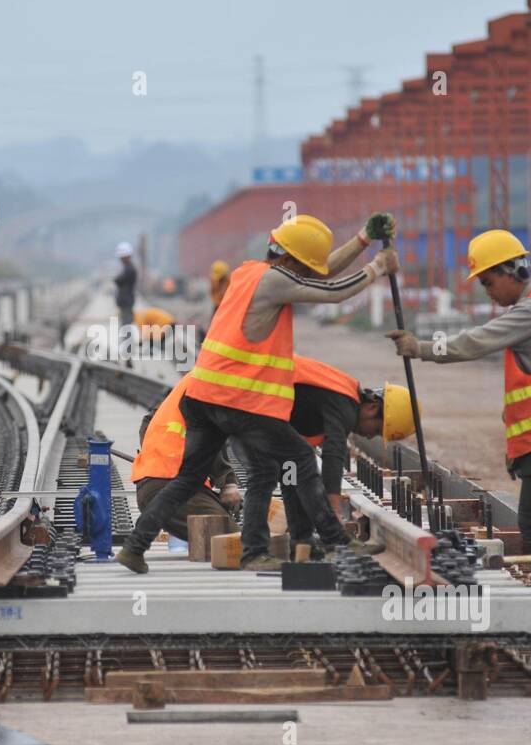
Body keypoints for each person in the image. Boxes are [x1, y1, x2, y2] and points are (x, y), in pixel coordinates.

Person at [116, 213, 399, 574]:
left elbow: (322, 273)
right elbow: (332, 291)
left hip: (202, 395)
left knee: (192, 477)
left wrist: (362, 239)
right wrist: (377, 267)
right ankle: (332, 544)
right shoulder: (274, 281)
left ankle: (134, 547)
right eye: (303, 266)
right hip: (237, 398)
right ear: (290, 260)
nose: (307, 273)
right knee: (298, 456)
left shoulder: (249, 273)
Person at [385, 228, 531, 619]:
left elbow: (475, 341)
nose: (488, 292)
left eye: (488, 282)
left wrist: (420, 349)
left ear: (512, 270)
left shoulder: (530, 311)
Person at [263, 354, 414, 551]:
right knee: (290, 466)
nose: (370, 437)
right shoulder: (345, 404)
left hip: (263, 403)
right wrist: (333, 505)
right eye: (377, 430)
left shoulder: (343, 397)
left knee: (291, 472)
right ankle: (332, 539)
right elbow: (334, 451)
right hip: (254, 397)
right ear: (372, 407)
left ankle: (301, 541)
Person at [131, 375, 240, 543]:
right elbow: (208, 437)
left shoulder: (191, 383)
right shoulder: (209, 384)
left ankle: (134, 550)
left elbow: (148, 421)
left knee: (225, 535)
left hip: (152, 488)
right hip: (173, 487)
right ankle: (133, 550)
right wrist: (228, 482)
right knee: (232, 539)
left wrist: (160, 455)